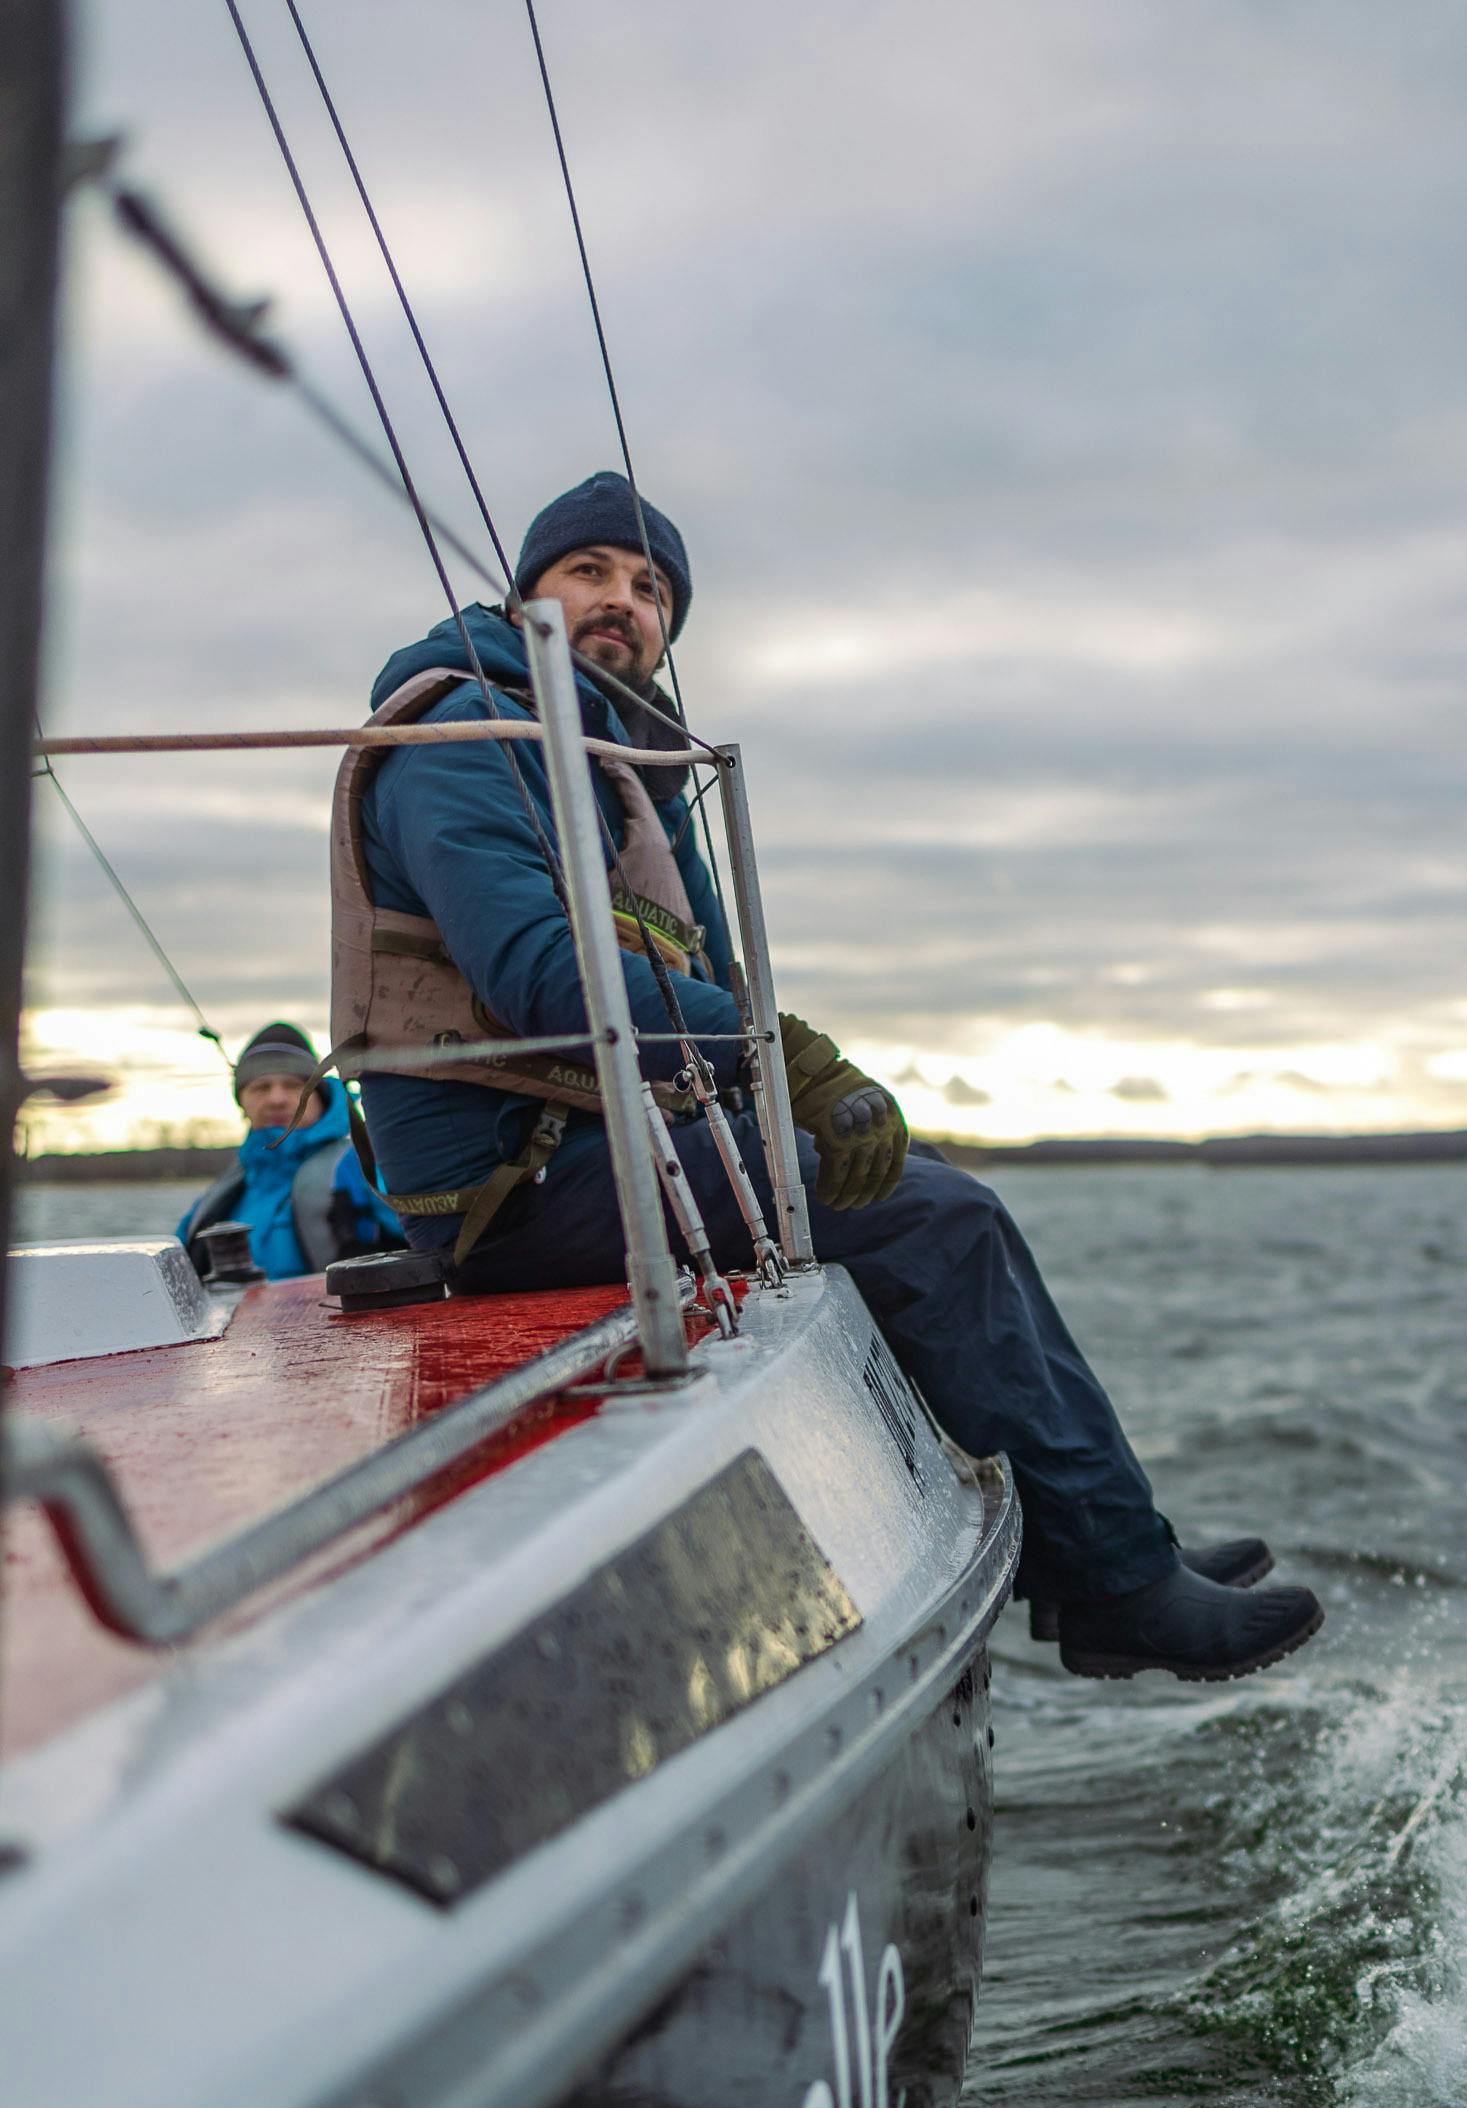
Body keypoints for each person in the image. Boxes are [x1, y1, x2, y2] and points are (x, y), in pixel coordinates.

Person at [338, 473, 1322, 1682]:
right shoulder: (465, 734)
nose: (622, 603)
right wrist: (798, 1069)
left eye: (650, 590)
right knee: (937, 1218)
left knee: (921, 1184)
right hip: (517, 1184)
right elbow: (547, 974)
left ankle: (1106, 1545)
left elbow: (719, 983)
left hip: (625, 1149)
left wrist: (800, 1086)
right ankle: (1120, 1586)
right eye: (589, 573)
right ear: (524, 591)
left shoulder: (624, 765)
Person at [179, 1021, 403, 1282]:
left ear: (321, 1096)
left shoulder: (365, 1164)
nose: (277, 1099)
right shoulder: (221, 1194)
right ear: (242, 1102)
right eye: (261, 1087)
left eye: (293, 1086)